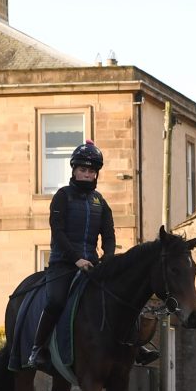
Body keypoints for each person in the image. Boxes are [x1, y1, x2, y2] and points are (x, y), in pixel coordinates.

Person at [30, 142, 155, 368]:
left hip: (93, 265)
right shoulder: (62, 196)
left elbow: (109, 235)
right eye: (83, 170)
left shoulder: (100, 202)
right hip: (64, 264)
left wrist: (108, 259)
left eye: (91, 171)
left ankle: (136, 347)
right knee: (56, 301)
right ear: (74, 170)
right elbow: (58, 232)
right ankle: (37, 348)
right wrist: (76, 259)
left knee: (123, 297)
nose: (87, 175)